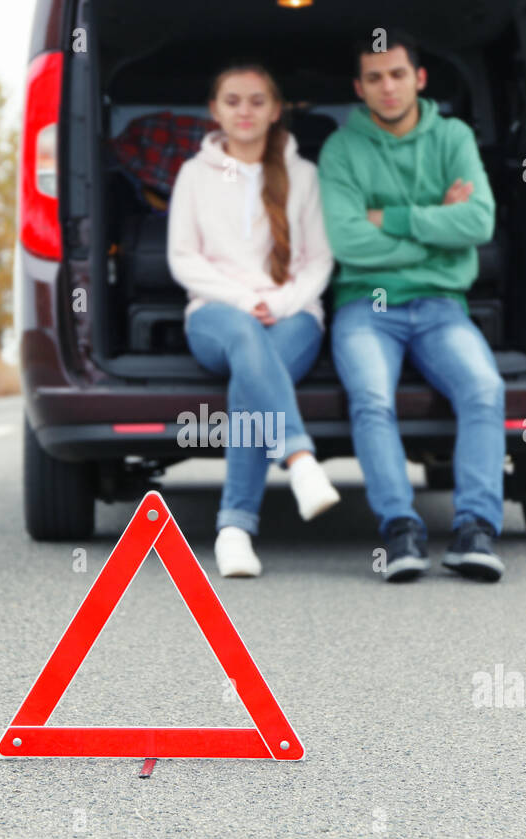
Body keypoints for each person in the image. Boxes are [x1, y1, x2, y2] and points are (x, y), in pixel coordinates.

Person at [318, 30, 506, 583]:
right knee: (372, 397)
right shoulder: (341, 149)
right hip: (366, 306)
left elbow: (478, 222)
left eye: (398, 74)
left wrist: (391, 218)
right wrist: (434, 225)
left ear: (419, 79)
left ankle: (474, 529)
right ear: (360, 88)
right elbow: (348, 241)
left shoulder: (452, 138)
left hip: (442, 304)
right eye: (374, 78)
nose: (388, 87)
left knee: (484, 388)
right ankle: (401, 530)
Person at [167, 62, 340, 578]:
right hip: (217, 314)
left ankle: (234, 531)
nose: (245, 111)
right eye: (234, 100)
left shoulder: (303, 174)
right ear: (215, 110)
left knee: (251, 381)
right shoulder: (194, 175)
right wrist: (245, 300)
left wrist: (282, 304)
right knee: (244, 339)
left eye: (258, 101)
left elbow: (319, 260)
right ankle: (299, 459)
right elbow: (183, 257)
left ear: (276, 109)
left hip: (294, 316)